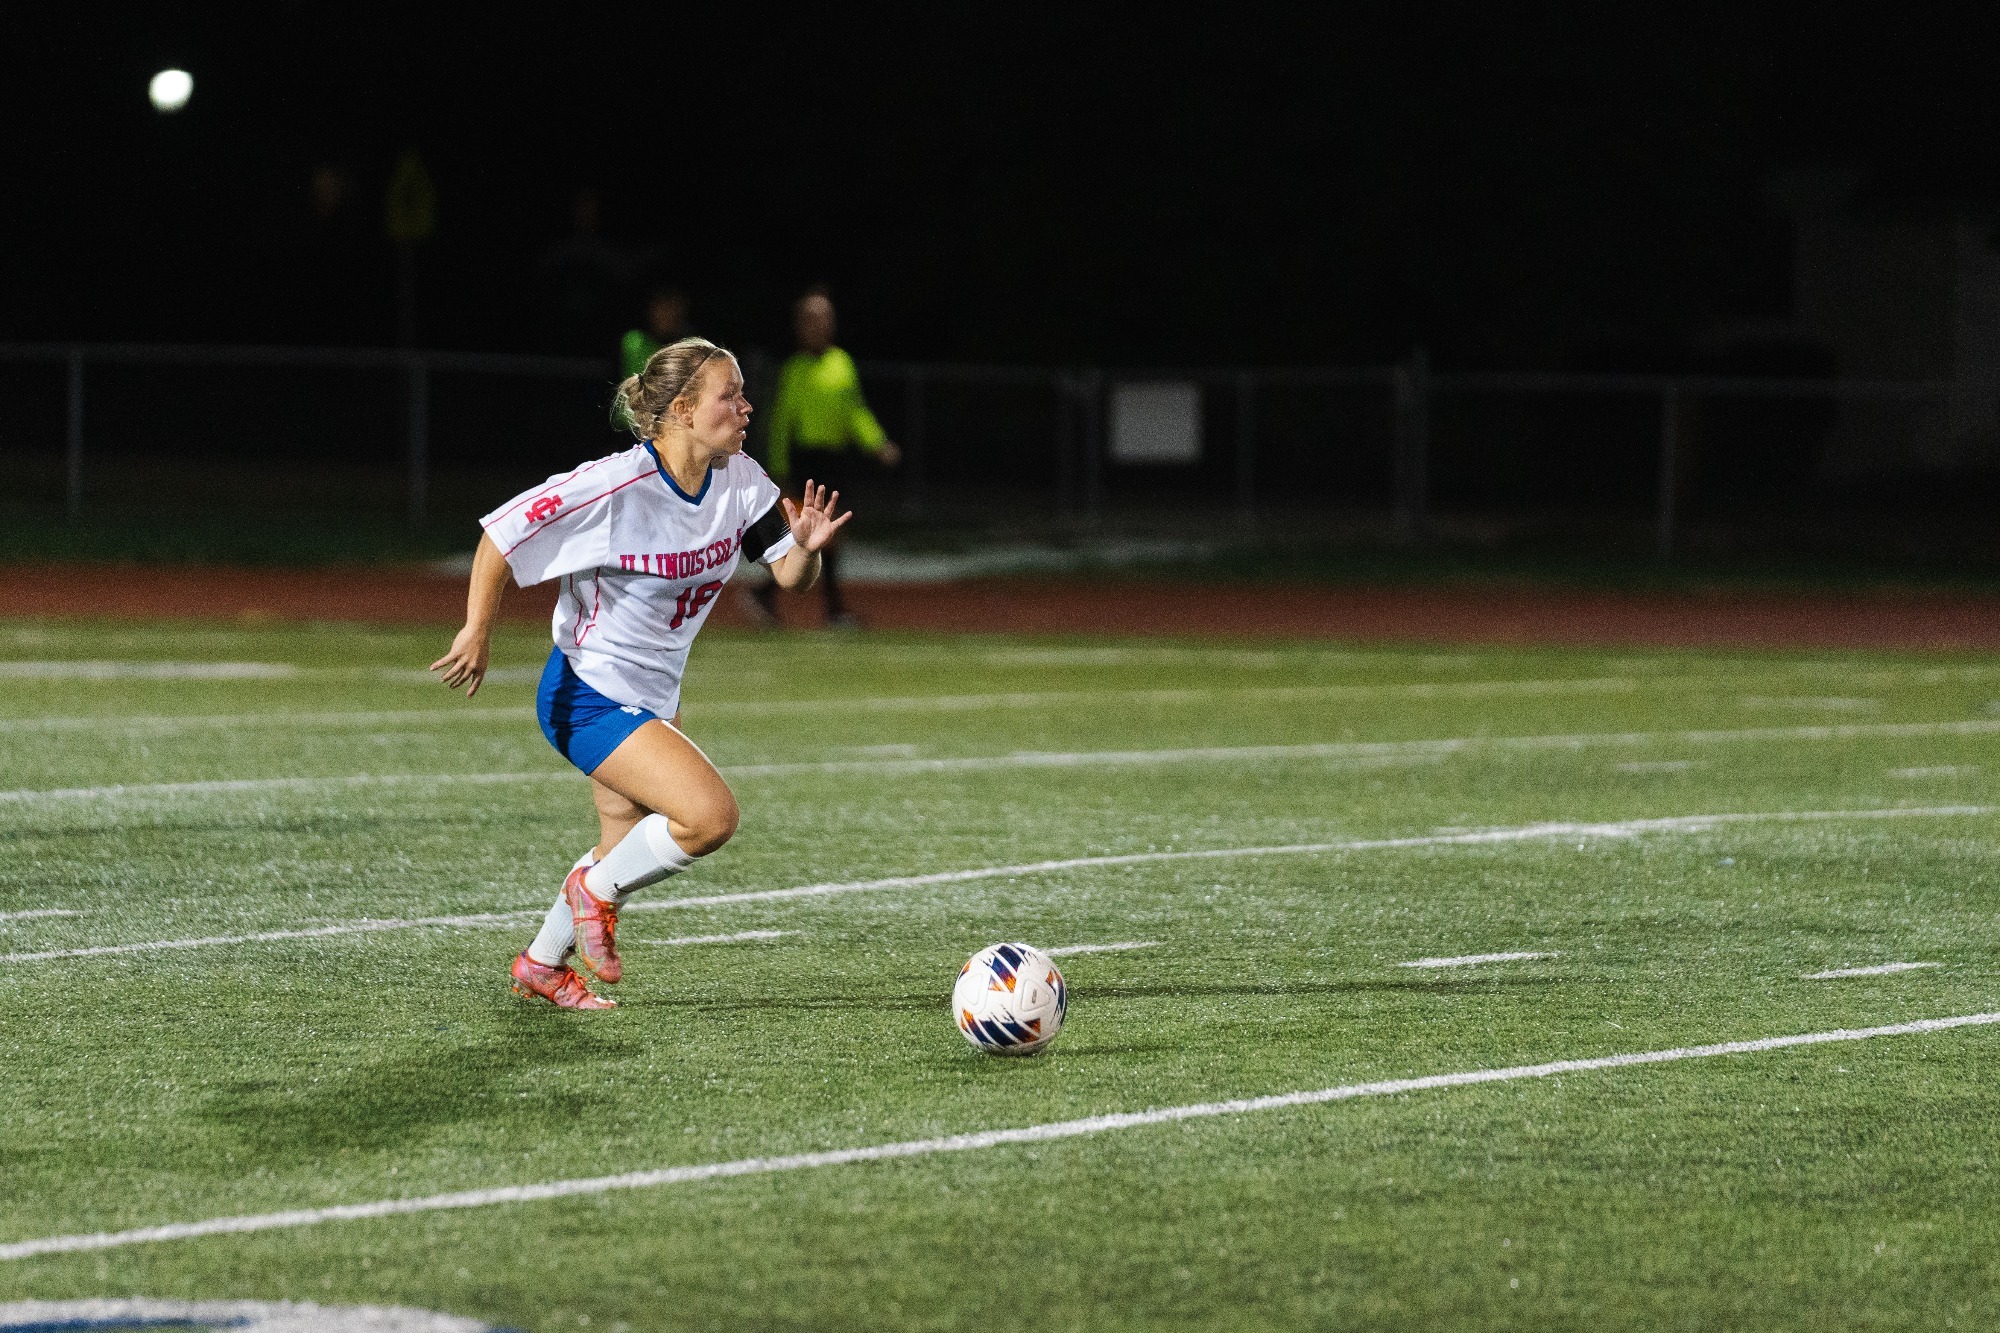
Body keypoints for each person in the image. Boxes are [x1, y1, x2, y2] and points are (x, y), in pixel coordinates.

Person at [430, 337, 850, 1009]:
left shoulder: (740, 480)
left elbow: (789, 577)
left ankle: (541, 964)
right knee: (709, 817)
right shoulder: (613, 486)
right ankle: (591, 897)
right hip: (587, 695)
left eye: (744, 393)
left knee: (619, 847)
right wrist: (477, 628)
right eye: (730, 395)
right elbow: (501, 535)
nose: (746, 407)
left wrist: (805, 548)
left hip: (653, 700)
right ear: (683, 409)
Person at [758, 288, 899, 626]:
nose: (820, 325)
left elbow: (855, 412)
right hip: (807, 460)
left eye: (825, 318)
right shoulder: (794, 369)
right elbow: (780, 423)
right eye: (812, 319)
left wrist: (878, 443)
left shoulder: (842, 362)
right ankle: (827, 608)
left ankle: (771, 596)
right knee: (816, 535)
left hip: (836, 460)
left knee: (830, 535)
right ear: (799, 326)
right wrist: (779, 469)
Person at [620, 287, 692, 378]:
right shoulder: (635, 341)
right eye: (663, 309)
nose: (668, 316)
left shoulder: (690, 344)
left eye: (673, 310)